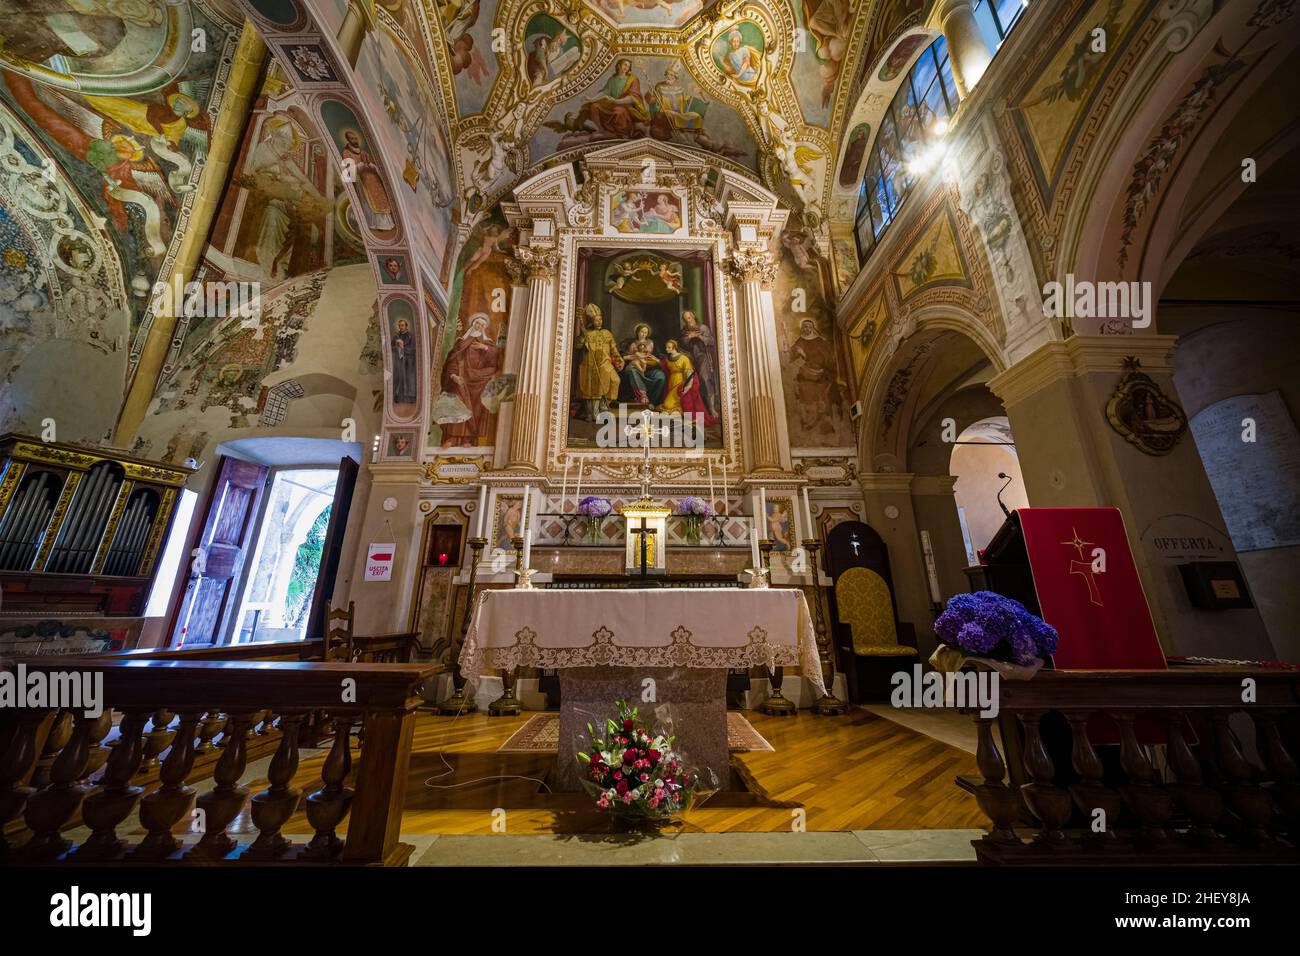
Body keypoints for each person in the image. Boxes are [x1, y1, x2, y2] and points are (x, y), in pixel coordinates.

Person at [438, 313, 500, 443]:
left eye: (483, 325)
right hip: (460, 379)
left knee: (475, 410)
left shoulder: (488, 343)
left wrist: (485, 348)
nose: (479, 326)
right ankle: (451, 438)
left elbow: (495, 361)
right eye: (478, 323)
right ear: (473, 324)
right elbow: (453, 360)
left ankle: (468, 439)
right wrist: (453, 375)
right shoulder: (461, 342)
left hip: (479, 381)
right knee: (457, 406)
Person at [790, 318, 841, 440]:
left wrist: (805, 355)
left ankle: (826, 426)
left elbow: (825, 358)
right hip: (806, 375)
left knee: (822, 400)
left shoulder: (821, 342)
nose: (806, 329)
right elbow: (792, 354)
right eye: (804, 327)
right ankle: (807, 423)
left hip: (820, 375)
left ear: (812, 328)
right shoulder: (800, 340)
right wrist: (793, 351)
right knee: (805, 398)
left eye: (808, 326)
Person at [575, 303, 622, 420]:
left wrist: (619, 359)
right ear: (592, 321)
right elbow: (578, 346)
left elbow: (613, 348)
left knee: (615, 381)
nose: (599, 322)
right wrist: (582, 337)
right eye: (597, 320)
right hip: (591, 363)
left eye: (600, 320)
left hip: (605, 363)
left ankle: (604, 406)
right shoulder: (588, 333)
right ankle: (594, 413)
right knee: (595, 389)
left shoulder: (607, 333)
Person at [657, 339, 716, 424]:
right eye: (666, 347)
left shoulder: (684, 358)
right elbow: (664, 365)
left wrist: (688, 386)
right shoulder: (669, 359)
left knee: (667, 404)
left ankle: (682, 416)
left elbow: (689, 373)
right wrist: (654, 359)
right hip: (671, 383)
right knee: (673, 404)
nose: (666, 349)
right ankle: (678, 415)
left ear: (674, 348)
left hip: (680, 384)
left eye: (669, 347)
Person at [679, 310, 719, 418]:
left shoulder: (702, 328)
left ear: (693, 317)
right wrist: (689, 337)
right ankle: (696, 409)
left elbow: (711, 341)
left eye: (689, 317)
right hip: (690, 358)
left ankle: (711, 408)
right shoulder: (684, 331)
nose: (688, 320)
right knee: (691, 381)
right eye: (686, 319)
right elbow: (682, 344)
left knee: (705, 379)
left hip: (703, 357)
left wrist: (699, 336)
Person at [619, 323, 667, 405]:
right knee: (631, 371)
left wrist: (656, 360)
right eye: (642, 332)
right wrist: (630, 357)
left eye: (645, 332)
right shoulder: (630, 343)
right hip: (635, 367)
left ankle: (654, 401)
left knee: (660, 376)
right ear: (637, 332)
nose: (643, 334)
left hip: (650, 368)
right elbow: (622, 355)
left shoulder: (652, 343)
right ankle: (642, 395)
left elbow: (658, 356)